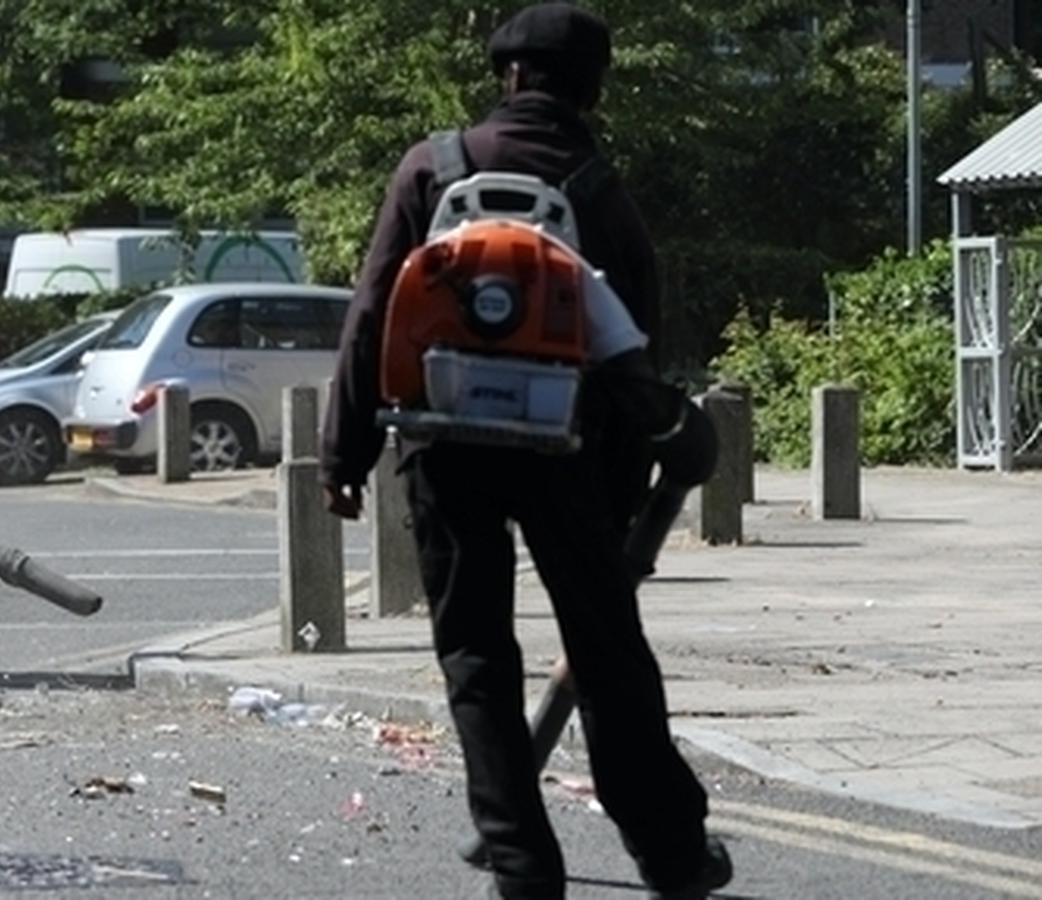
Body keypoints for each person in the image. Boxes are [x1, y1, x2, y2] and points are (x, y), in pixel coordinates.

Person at [319, 5, 730, 899]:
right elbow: (635, 354)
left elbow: (372, 313)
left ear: (508, 79)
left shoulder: (432, 167)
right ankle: (670, 853)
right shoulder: (598, 190)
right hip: (566, 448)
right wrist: (618, 503)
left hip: (441, 443)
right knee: (609, 654)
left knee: (476, 656)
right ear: (591, 93)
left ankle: (522, 863)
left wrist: (342, 459)